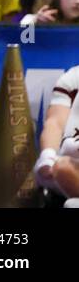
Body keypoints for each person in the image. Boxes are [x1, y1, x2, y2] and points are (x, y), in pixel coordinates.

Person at [33, 63, 79, 205]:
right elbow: (55, 122)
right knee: (61, 167)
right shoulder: (73, 77)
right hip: (73, 167)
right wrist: (47, 155)